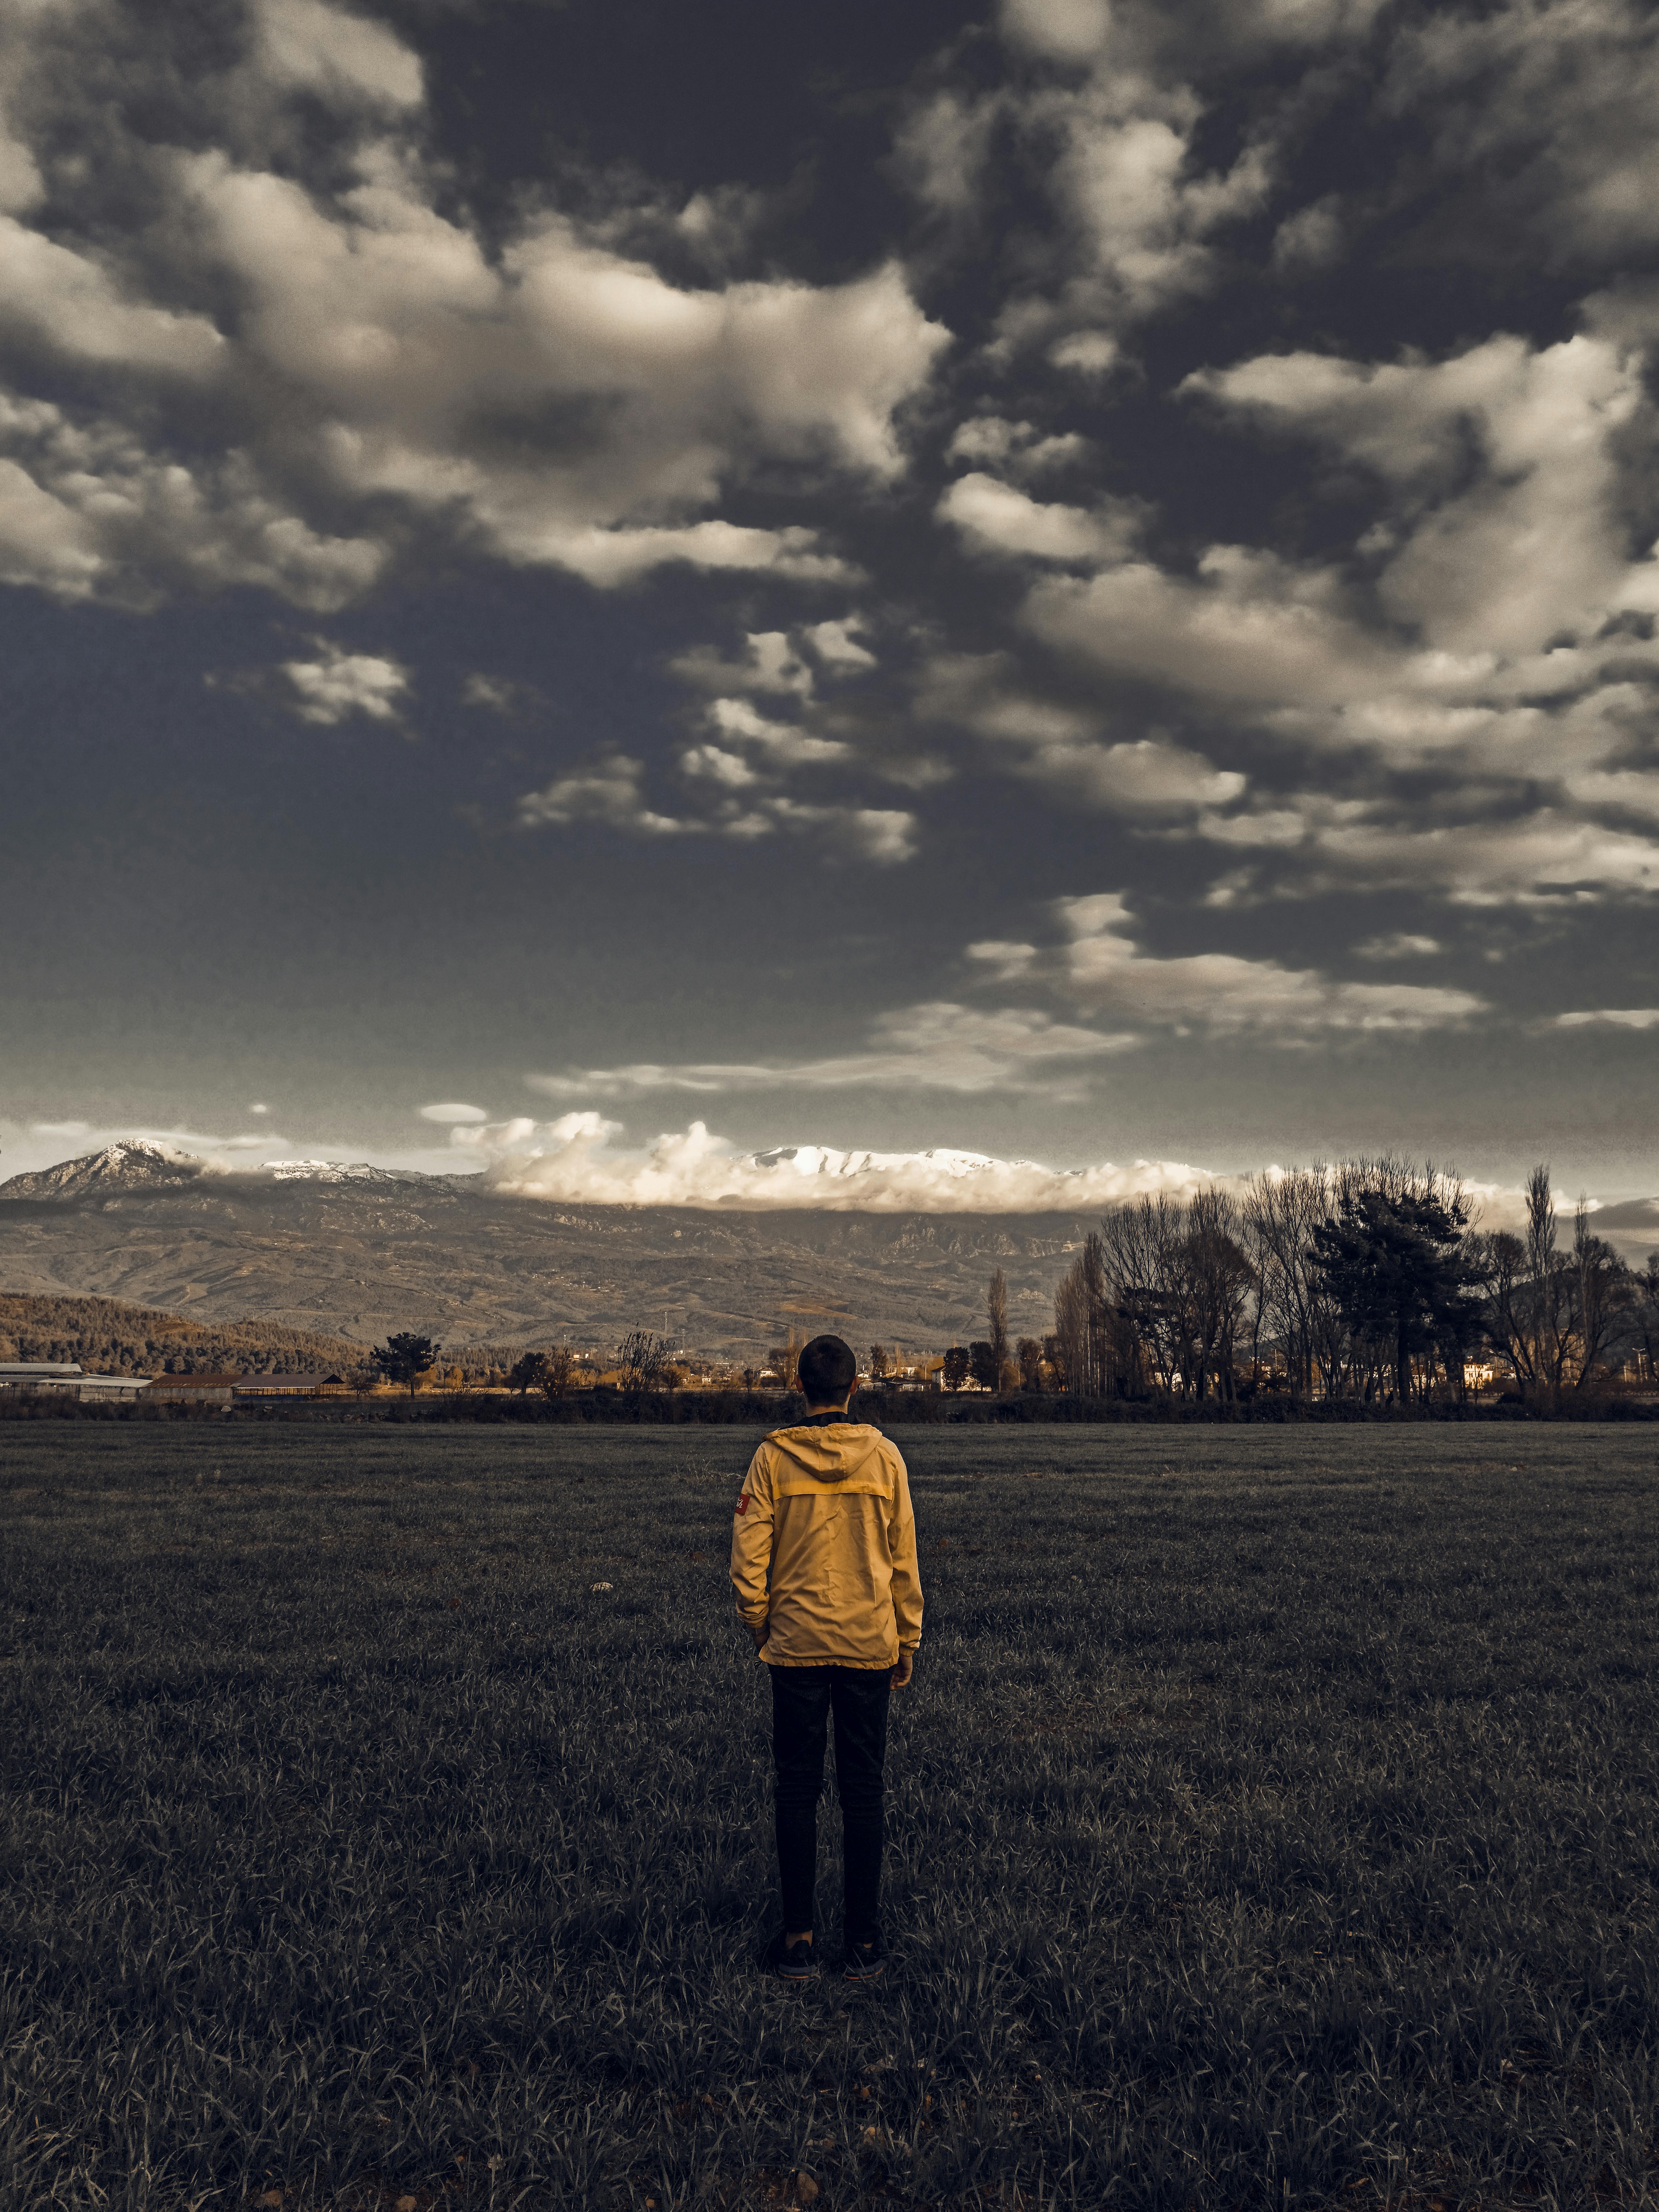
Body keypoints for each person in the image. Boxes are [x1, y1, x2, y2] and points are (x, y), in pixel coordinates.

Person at [730, 1332, 923, 1983]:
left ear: (798, 1384)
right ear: (856, 1388)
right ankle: (864, 1945)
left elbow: (747, 1561)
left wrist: (762, 1627)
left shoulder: (771, 1460)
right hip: (869, 1644)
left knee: (797, 1788)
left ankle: (799, 1940)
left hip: (796, 1649)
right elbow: (904, 1561)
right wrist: (908, 1638)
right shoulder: (886, 1457)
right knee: (863, 1790)